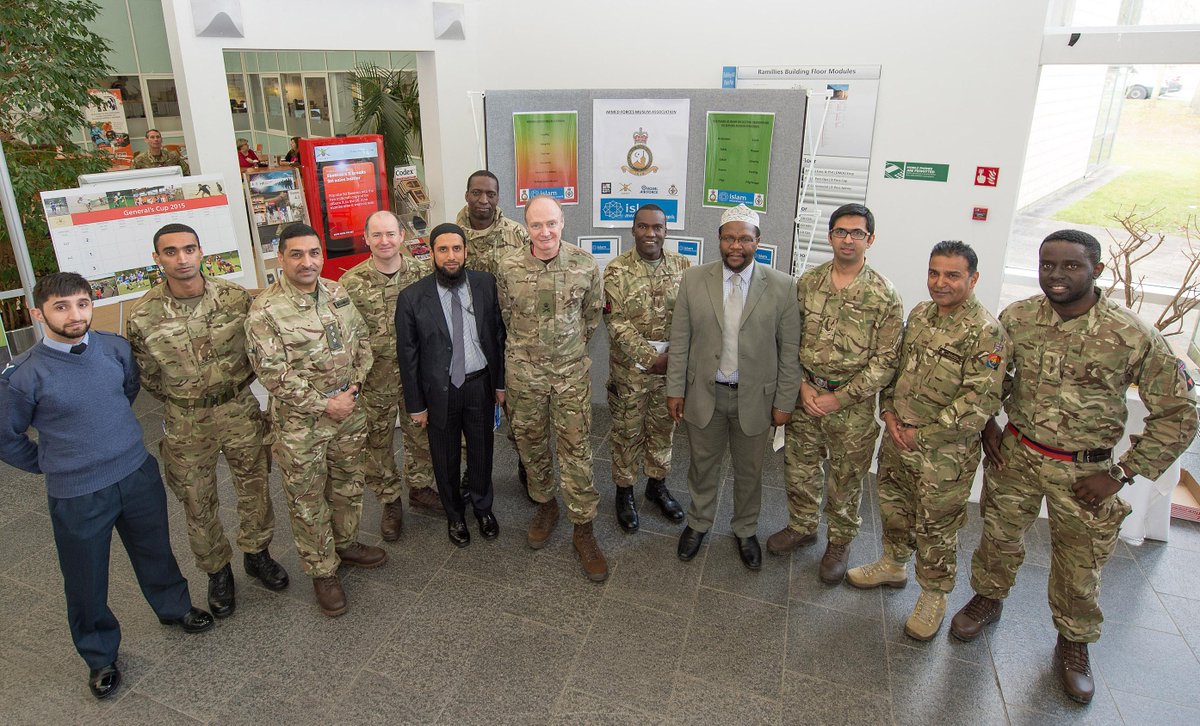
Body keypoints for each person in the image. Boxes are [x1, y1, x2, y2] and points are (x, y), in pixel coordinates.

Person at [950, 229, 1198, 704]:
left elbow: (1179, 413)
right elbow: (993, 377)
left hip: (1086, 474)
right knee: (998, 537)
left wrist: (1122, 474)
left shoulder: (1131, 335)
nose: (1057, 276)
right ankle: (988, 598)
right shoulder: (1018, 318)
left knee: (1078, 564)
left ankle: (1074, 641)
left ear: (1096, 271)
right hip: (1017, 456)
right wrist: (988, 425)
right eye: (1048, 265)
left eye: (1071, 266)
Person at [0, 273, 213, 701]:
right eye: (61, 307)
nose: (74, 315)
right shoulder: (23, 376)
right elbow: (7, 436)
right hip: (77, 493)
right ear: (37, 313)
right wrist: (49, 463)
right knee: (85, 578)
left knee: (155, 549)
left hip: (135, 472)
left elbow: (127, 390)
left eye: (82, 303)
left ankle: (173, 608)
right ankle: (99, 655)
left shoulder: (115, 348)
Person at [845, 241, 1009, 641]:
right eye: (934, 273)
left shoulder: (987, 332)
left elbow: (979, 400)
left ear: (973, 278)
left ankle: (933, 595)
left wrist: (923, 434)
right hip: (899, 436)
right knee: (895, 506)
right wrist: (888, 413)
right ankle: (893, 563)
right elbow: (896, 368)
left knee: (937, 526)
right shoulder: (920, 314)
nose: (940, 283)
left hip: (945, 452)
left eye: (952, 275)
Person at [127, 223, 289, 620]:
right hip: (186, 419)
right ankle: (217, 571)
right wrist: (188, 397)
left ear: (202, 252)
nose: (181, 259)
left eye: (188, 249)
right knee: (197, 500)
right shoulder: (143, 315)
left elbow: (256, 352)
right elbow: (148, 377)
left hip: (238, 407)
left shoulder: (235, 299)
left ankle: (257, 553)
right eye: (170, 252)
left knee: (254, 485)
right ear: (157, 259)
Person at [244, 223, 386, 617]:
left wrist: (352, 391)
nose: (307, 262)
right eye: (296, 254)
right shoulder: (265, 310)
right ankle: (322, 570)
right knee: (307, 497)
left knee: (347, 483)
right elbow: (272, 374)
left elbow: (362, 343)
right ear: (280, 258)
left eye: (313, 253)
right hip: (299, 425)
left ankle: (345, 543)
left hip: (348, 412)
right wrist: (326, 404)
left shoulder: (337, 292)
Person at [768, 203, 904, 585]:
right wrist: (801, 384)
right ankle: (802, 525)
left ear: (870, 240)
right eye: (841, 232)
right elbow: (787, 340)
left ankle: (840, 541)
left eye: (857, 233)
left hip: (853, 406)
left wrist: (840, 398)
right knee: (800, 468)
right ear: (830, 237)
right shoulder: (807, 284)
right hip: (806, 394)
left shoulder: (884, 295)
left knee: (846, 479)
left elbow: (886, 361)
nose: (848, 239)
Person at [666, 204, 802, 570]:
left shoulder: (783, 287)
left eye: (744, 238)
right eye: (729, 237)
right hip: (704, 394)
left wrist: (784, 402)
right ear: (719, 240)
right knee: (701, 466)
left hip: (755, 398)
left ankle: (745, 530)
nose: (736, 245)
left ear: (758, 241)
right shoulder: (694, 280)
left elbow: (790, 352)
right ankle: (698, 523)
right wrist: (674, 390)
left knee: (750, 471)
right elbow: (680, 341)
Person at [496, 195, 607, 581]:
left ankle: (584, 528)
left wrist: (568, 351)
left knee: (576, 449)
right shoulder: (507, 266)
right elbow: (505, 315)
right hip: (524, 375)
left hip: (570, 375)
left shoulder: (584, 264)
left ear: (563, 223)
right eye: (536, 225)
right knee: (530, 443)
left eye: (552, 224)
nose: (545, 232)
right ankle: (545, 503)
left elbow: (592, 316)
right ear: (526, 227)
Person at [396, 223, 507, 546]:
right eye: (443, 249)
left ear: (466, 251)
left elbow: (497, 336)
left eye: (456, 249)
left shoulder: (485, 284)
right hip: (439, 391)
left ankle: (483, 508)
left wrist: (499, 384)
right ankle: (455, 516)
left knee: (482, 451)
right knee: (444, 459)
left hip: (479, 384)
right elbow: (408, 356)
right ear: (431, 253)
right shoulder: (412, 298)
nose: (450, 256)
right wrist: (416, 404)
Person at [341, 211, 441, 544]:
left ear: (402, 235)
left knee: (421, 436)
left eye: (390, 234)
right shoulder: (349, 284)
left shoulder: (424, 273)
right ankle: (390, 501)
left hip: (418, 376)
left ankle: (421, 487)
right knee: (377, 442)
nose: (385, 241)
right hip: (375, 380)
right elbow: (344, 338)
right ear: (366, 238)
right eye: (377, 235)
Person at [603, 204, 688, 531]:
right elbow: (616, 322)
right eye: (643, 227)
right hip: (630, 373)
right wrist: (651, 358)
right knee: (627, 432)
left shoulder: (683, 267)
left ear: (666, 231)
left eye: (657, 227)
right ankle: (624, 492)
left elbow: (691, 318)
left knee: (663, 429)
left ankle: (657, 486)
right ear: (633, 229)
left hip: (671, 370)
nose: (650, 234)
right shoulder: (616, 270)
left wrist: (675, 358)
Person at [455, 170, 532, 486]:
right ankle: (472, 470)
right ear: (467, 195)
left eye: (490, 193)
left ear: (499, 197)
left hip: (511, 338)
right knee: (468, 411)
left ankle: (530, 469)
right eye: (476, 193)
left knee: (521, 413)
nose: (483, 200)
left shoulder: (518, 235)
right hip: (466, 340)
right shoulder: (450, 236)